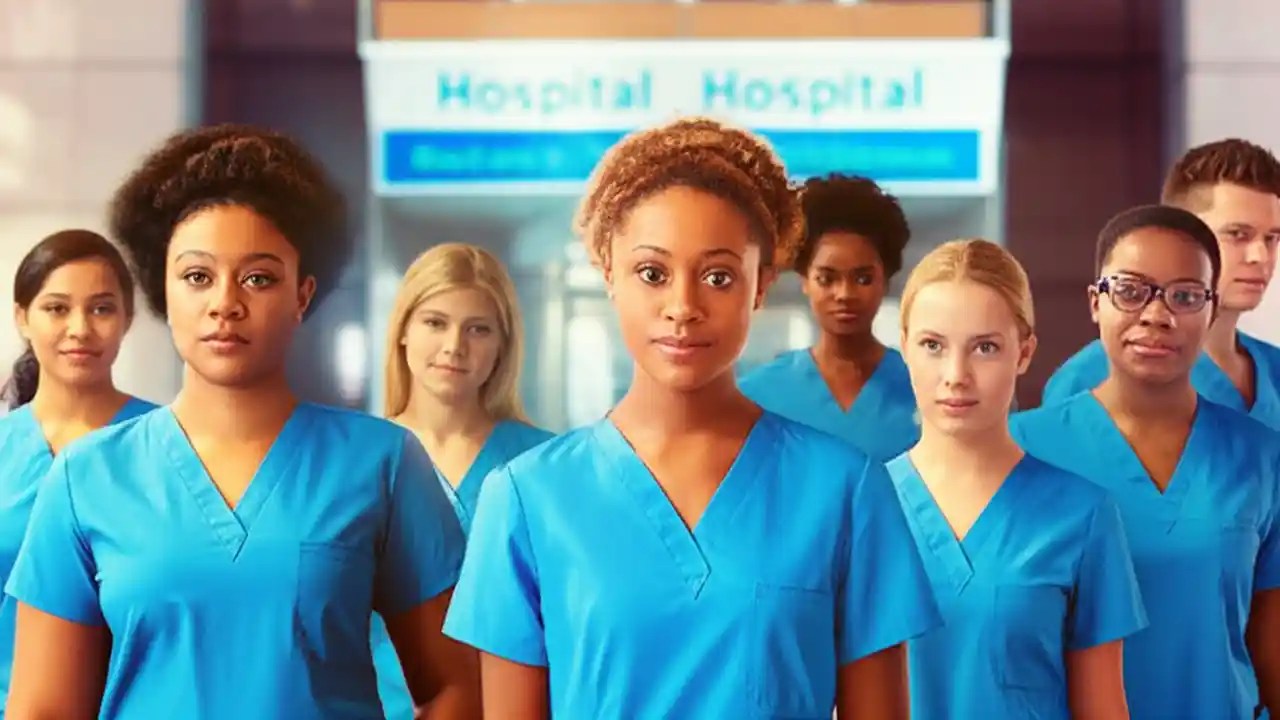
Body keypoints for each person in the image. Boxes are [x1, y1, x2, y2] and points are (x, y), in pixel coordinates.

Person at [442, 117, 940, 719]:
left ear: (761, 285)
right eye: (652, 273)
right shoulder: (526, 499)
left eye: (718, 276)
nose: (683, 307)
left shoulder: (846, 490)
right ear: (609, 275)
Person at [4, 125, 478, 719]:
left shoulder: (381, 463)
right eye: (197, 277)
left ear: (302, 295)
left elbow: (457, 689)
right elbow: (44, 711)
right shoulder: (87, 477)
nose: (225, 302)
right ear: (164, 292)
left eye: (258, 278)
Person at [1011, 205, 1280, 719]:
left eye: (1184, 296)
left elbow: (1272, 651)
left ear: (1211, 309)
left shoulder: (1262, 458)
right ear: (1096, 303)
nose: (1157, 315)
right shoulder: (1024, 448)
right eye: (1131, 291)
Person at [889, 238, 1145, 719]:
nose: (956, 375)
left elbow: (1103, 709)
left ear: (1024, 353)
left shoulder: (1082, 516)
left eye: (985, 348)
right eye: (932, 346)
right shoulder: (860, 512)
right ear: (904, 347)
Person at [372, 242, 553, 719]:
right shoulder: (357, 461)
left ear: (502, 346)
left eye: (478, 329)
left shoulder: (545, 466)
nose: (455, 346)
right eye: (435, 322)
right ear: (403, 331)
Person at [0, 230, 156, 714]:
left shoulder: (168, 445)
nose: (80, 328)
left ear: (128, 318)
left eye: (101, 308)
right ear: (23, 317)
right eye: (57, 308)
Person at [1042, 139, 1280, 430]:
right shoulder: (1090, 378)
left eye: (1271, 238)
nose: (1261, 256)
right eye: (1238, 235)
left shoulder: (1273, 371)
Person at [738, 173, 917, 460]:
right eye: (827, 278)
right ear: (805, 280)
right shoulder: (758, 395)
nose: (844, 293)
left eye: (863, 278)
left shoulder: (925, 387)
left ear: (886, 280)